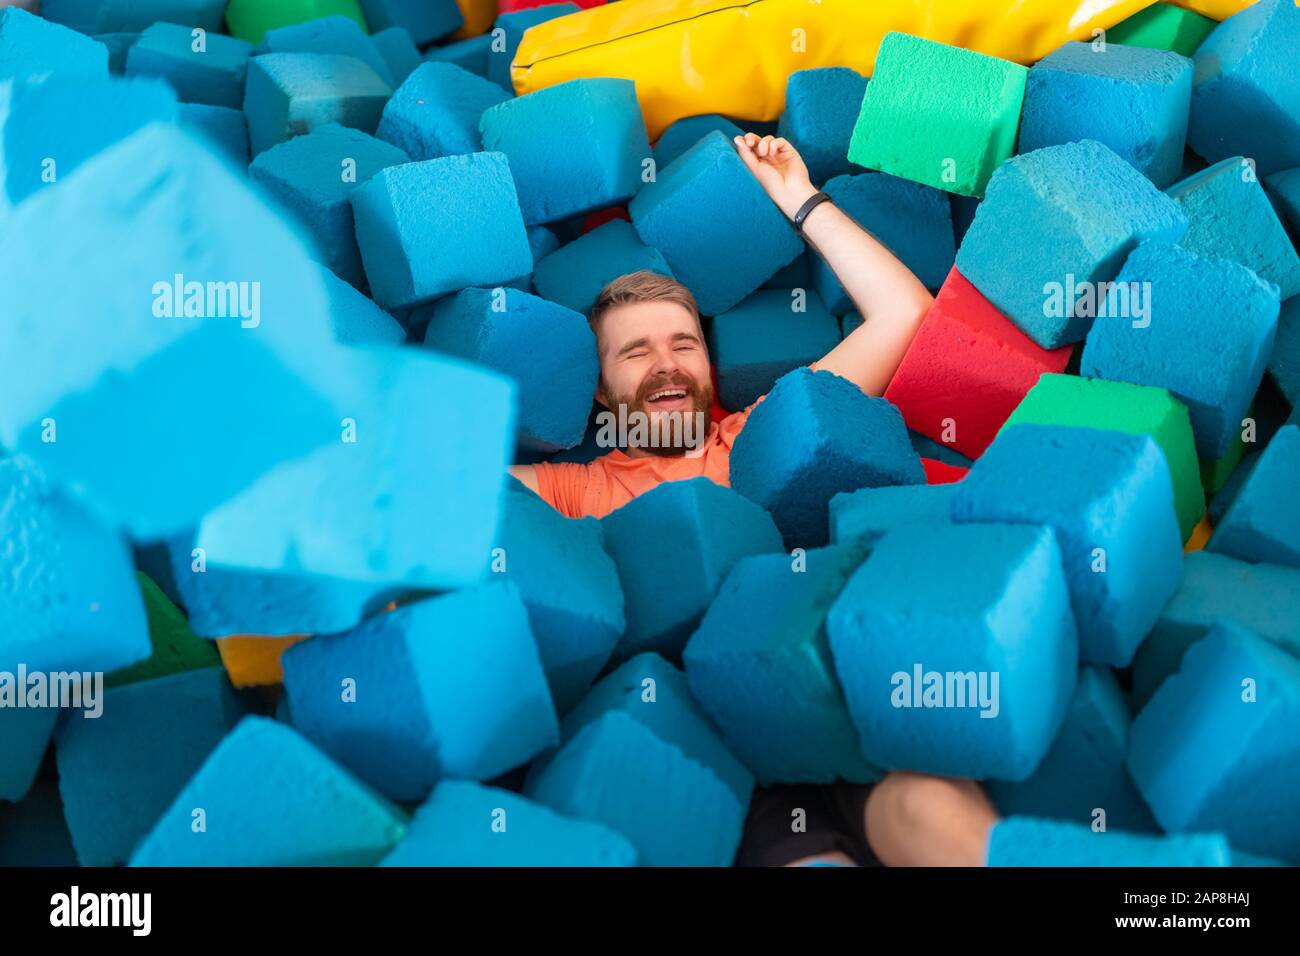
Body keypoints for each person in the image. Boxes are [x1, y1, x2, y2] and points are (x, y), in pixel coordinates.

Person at [513, 133, 1000, 866]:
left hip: (836, 685)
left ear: (709, 365)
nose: (666, 365)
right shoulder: (575, 490)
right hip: (716, 735)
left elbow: (902, 314)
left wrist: (798, 198)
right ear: (598, 389)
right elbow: (434, 497)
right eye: (635, 352)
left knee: (932, 815)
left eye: (683, 344)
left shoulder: (764, 430)